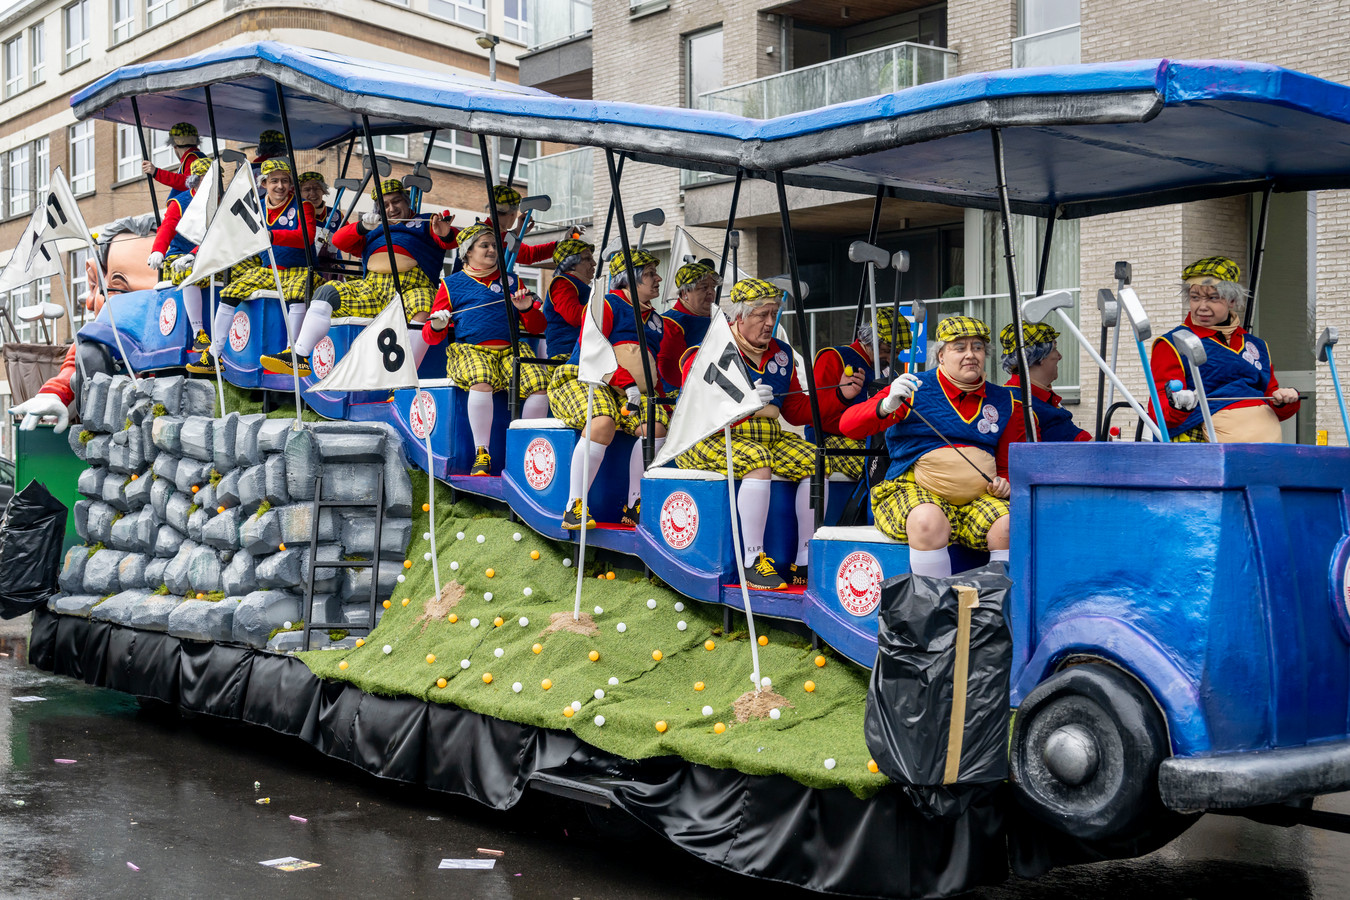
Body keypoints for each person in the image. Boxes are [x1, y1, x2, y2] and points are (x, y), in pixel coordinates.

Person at [839, 316, 1031, 579]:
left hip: (978, 499)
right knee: (929, 520)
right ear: (941, 355)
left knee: (1011, 525)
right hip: (913, 491)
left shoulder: (1006, 400)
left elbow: (1009, 463)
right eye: (959, 347)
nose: (970, 355)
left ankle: (997, 609)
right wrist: (886, 405)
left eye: (977, 347)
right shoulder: (912, 388)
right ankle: (936, 611)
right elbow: (848, 426)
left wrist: (1005, 482)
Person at [676, 278, 817, 590]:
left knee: (816, 459)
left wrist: (833, 398)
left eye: (774, 314)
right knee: (757, 459)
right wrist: (745, 401)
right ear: (739, 316)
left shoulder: (781, 353)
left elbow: (793, 409)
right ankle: (752, 559)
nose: (770, 323)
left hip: (769, 436)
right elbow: (695, 409)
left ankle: (805, 559)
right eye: (761, 315)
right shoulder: (711, 351)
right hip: (710, 438)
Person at [262, 179, 457, 376]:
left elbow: (455, 242)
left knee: (424, 305)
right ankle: (299, 355)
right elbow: (338, 240)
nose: (392, 209)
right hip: (373, 288)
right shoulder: (374, 228)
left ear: (407, 202)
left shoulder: (425, 222)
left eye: (396, 201)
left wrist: (446, 234)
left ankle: (404, 378)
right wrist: (362, 227)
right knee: (327, 291)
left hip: (413, 288)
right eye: (385, 205)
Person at [550, 248, 668, 529]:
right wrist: (627, 384)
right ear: (631, 279)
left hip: (635, 392)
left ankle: (635, 504)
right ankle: (574, 506)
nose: (658, 279)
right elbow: (595, 354)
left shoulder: (655, 319)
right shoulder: (606, 305)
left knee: (656, 428)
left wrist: (661, 399)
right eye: (650, 274)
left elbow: (653, 365)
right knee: (602, 422)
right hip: (588, 379)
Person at [9, 217, 160, 430]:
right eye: (121, 289)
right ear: (94, 283)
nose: (139, 305)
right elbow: (72, 368)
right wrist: (53, 394)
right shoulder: (98, 339)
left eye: (158, 292)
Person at [422, 222, 547, 476]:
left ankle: (524, 449)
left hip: (511, 351)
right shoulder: (451, 284)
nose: (492, 250)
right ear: (468, 252)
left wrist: (525, 309)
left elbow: (537, 327)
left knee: (540, 385)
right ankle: (482, 453)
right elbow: (430, 337)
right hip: (471, 350)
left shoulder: (512, 280)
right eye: (485, 245)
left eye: (494, 245)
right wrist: (437, 324)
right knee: (481, 381)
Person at [1149, 256, 1299, 442]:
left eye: (1213, 298)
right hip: (1199, 449)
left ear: (1232, 301)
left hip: (1264, 456)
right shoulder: (1173, 343)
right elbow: (1160, 411)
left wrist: (1285, 400)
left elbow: (1274, 404)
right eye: (1195, 298)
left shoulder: (1257, 346)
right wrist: (1179, 405)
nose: (1202, 306)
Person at [196, 158, 317, 373]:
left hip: (298, 269)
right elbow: (230, 236)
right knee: (229, 292)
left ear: (290, 185)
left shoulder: (303, 206)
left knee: (297, 293)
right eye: (274, 181)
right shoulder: (256, 209)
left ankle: (292, 354)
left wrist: (272, 235)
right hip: (268, 270)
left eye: (285, 181)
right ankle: (214, 356)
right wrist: (196, 254)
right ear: (264, 184)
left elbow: (306, 237)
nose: (280, 186)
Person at [813, 308, 910, 482]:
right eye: (886, 350)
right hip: (831, 438)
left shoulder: (890, 373)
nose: (890, 358)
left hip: (877, 440)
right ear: (869, 341)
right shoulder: (834, 358)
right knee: (883, 470)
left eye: (895, 352)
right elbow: (817, 413)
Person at [147, 156, 216, 363]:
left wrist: (195, 254)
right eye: (205, 179)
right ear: (195, 181)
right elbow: (167, 227)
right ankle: (199, 333)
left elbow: (217, 235)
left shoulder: (220, 203)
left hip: (209, 253)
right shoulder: (181, 202)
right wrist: (158, 250)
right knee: (186, 273)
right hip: (179, 255)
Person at [1000, 322, 1091, 442]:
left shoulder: (1043, 397)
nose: (1059, 356)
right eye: (1054, 349)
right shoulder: (1017, 405)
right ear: (1038, 356)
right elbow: (1030, 456)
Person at [655, 261, 720, 391]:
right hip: (684, 394)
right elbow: (672, 373)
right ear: (684, 293)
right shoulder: (670, 323)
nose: (710, 292)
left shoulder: (719, 318)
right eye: (703, 287)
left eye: (712, 287)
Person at [541, 237, 595, 360]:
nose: (594, 263)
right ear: (570, 264)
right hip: (567, 354)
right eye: (587, 259)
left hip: (581, 351)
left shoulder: (577, 284)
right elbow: (573, 314)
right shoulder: (562, 283)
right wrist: (604, 311)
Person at [141, 122, 203, 192]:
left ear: (175, 146)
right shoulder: (197, 156)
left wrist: (156, 172)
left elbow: (187, 182)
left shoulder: (191, 158)